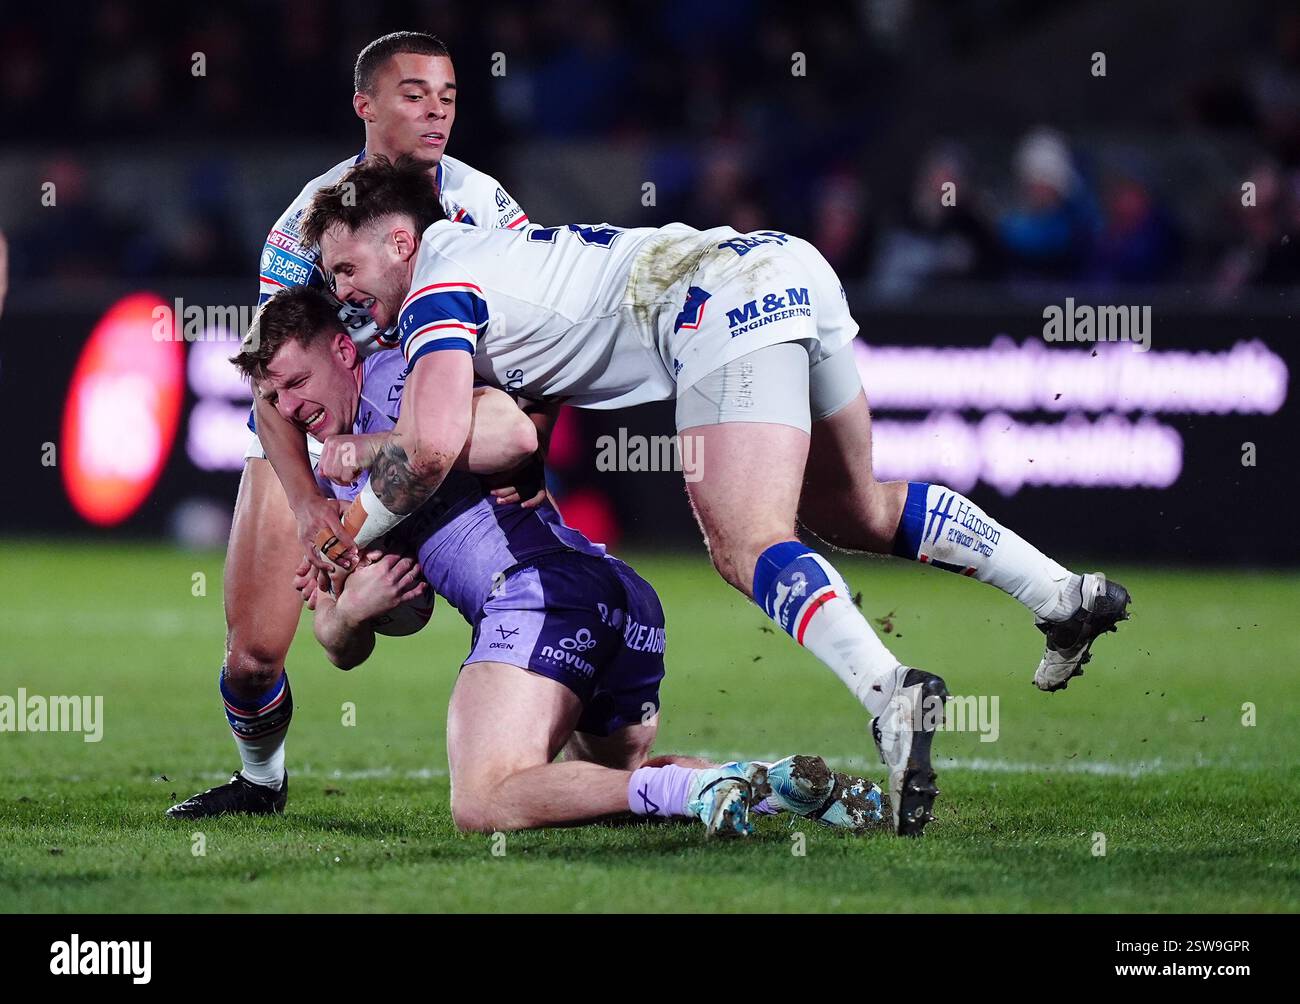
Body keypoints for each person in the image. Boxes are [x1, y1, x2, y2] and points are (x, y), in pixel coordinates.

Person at [271, 153, 1133, 837]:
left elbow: (428, 447)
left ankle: (888, 695)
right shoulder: (473, 266)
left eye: (346, 266)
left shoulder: (431, 290)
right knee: (851, 508)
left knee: (744, 542)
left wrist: (340, 526)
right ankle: (1058, 593)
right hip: (786, 265)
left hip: (714, 302)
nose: (341, 291)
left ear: (398, 240)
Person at [172, 287, 884, 838]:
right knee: (604, 790)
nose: (290, 408)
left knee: (485, 800)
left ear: (344, 351)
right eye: (270, 399)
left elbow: (511, 431)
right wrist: (353, 611)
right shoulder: (326, 486)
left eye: (297, 383)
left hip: (540, 595)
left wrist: (377, 447)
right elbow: (334, 639)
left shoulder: (405, 380)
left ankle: (700, 790)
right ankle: (766, 782)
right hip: (614, 602)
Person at [190, 31, 532, 820]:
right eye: (414, 94)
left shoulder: (487, 209)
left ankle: (598, 764)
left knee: (547, 587)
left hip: (435, 424)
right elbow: (269, 379)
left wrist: (529, 471)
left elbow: (533, 351)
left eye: (448, 96)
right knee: (251, 656)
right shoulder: (304, 228)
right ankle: (260, 779)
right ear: (365, 106)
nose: (435, 111)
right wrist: (310, 503)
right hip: (323, 436)